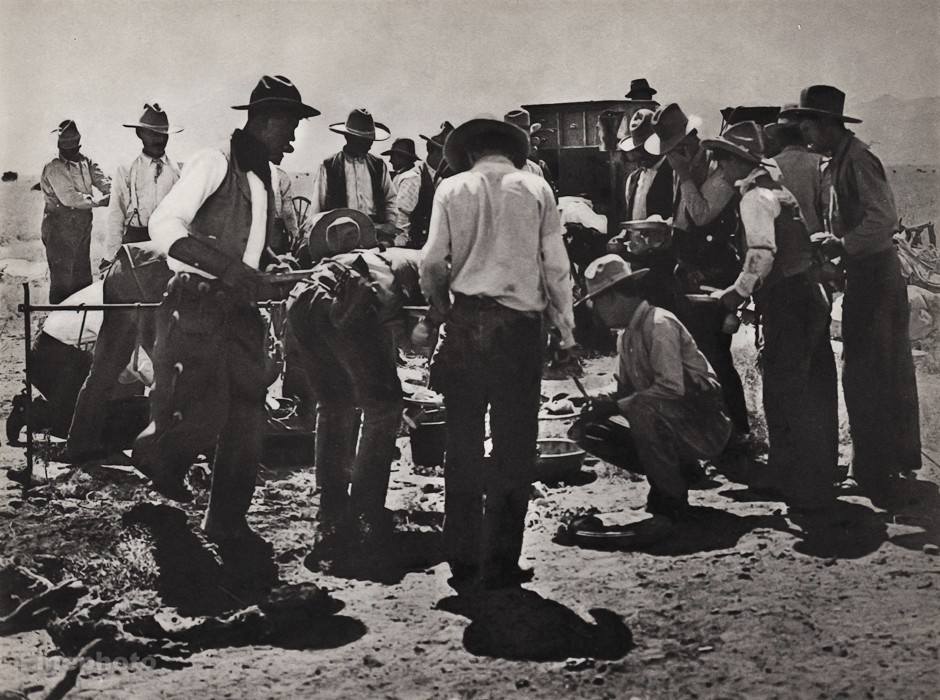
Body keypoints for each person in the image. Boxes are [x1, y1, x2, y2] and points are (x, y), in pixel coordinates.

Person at [134, 75, 319, 542]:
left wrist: (268, 262)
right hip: (195, 306)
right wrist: (227, 268)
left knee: (248, 415)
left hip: (238, 312)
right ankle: (155, 471)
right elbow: (164, 223)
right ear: (265, 120)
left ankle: (227, 521)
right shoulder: (214, 162)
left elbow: (246, 246)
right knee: (197, 415)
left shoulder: (264, 177)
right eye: (289, 127)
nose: (293, 140)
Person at [420, 116, 576, 590]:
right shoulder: (536, 188)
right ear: (513, 151)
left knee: (462, 442)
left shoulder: (451, 188)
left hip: (467, 323)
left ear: (468, 152)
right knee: (514, 446)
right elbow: (556, 266)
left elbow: (431, 261)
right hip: (518, 330)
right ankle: (503, 560)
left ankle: (463, 557)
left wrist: (442, 308)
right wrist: (566, 332)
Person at [782, 85, 921, 502]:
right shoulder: (833, 162)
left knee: (868, 373)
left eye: (809, 124)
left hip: (876, 277)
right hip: (863, 274)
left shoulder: (857, 159)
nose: (804, 132)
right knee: (869, 372)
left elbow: (883, 219)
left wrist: (842, 245)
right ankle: (878, 464)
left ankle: (877, 472)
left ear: (828, 124)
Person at [703, 121, 839, 510]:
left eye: (720, 160)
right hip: (809, 294)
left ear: (734, 162)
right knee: (813, 385)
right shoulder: (777, 191)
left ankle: (789, 476)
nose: (718, 167)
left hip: (790, 299)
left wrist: (737, 292)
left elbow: (762, 253)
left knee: (783, 388)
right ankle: (817, 472)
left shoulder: (754, 198)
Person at [287, 215, 425, 559]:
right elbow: (418, 327)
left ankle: (332, 509)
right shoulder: (423, 261)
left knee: (334, 404)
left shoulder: (354, 258)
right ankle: (365, 513)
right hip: (347, 300)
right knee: (384, 406)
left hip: (303, 299)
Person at [572, 254, 730, 520]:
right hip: (675, 420)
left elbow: (671, 389)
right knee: (589, 429)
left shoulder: (658, 323)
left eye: (596, 303)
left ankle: (672, 497)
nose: (596, 312)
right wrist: (594, 401)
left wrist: (618, 405)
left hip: (705, 424)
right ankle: (678, 472)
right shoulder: (626, 336)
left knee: (640, 407)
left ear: (613, 297)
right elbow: (623, 389)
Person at [645, 103, 750, 440]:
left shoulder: (718, 173)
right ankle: (709, 431)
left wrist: (686, 177)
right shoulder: (685, 172)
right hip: (689, 272)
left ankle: (736, 431)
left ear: (691, 142)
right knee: (694, 355)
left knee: (715, 357)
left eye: (678, 149)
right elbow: (684, 219)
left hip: (713, 276)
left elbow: (702, 215)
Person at [6, 280, 153, 453]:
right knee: (89, 429)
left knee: (115, 419)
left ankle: (49, 411)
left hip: (67, 356)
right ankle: (33, 412)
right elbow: (135, 360)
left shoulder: (122, 285)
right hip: (54, 359)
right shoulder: (119, 297)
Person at [65, 243, 173, 462]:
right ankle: (159, 450)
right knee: (167, 367)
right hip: (144, 273)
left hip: (128, 266)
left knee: (105, 368)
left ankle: (80, 445)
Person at [612, 109, 678, 312]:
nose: (636, 155)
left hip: (664, 262)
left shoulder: (673, 172)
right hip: (637, 261)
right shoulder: (633, 179)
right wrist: (621, 236)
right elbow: (631, 217)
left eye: (642, 149)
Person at [39, 120, 111, 303]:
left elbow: (102, 180)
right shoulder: (54, 166)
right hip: (59, 225)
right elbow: (70, 197)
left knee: (82, 278)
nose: (70, 151)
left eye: (73, 147)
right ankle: (56, 325)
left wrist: (113, 192)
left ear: (79, 145)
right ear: (59, 146)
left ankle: (79, 323)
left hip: (82, 223)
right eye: (65, 147)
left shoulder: (86, 161)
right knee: (62, 281)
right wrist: (100, 201)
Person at [311, 108, 399, 244]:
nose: (368, 145)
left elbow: (390, 199)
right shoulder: (328, 166)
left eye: (370, 140)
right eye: (363, 140)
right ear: (348, 137)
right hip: (341, 237)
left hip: (376, 235)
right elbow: (317, 208)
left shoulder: (379, 165)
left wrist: (390, 223)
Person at [106, 104, 183, 255]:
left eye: (163, 134)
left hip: (168, 241)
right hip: (136, 241)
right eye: (153, 134)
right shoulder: (127, 171)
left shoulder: (179, 171)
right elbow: (116, 215)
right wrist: (110, 256)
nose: (160, 139)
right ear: (140, 133)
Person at [764, 107, 829, 235]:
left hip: (777, 245)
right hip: (814, 244)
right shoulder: (821, 163)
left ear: (779, 137)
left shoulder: (766, 166)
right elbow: (829, 210)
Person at [395, 122, 454, 249]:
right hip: (411, 248)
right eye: (449, 155)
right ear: (438, 153)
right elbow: (401, 219)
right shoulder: (414, 178)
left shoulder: (442, 179)